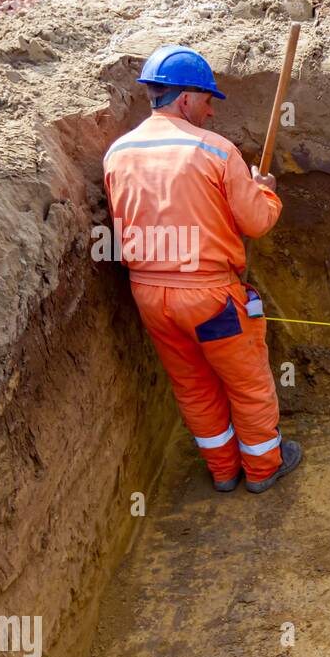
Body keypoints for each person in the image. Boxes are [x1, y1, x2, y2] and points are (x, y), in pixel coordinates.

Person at [104, 45, 302, 493]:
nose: (211, 113)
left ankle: (223, 471)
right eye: (209, 101)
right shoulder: (214, 152)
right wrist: (264, 192)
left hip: (150, 295)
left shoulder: (118, 152)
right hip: (211, 299)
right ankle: (262, 468)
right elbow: (256, 223)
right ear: (186, 97)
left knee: (192, 385)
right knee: (248, 384)